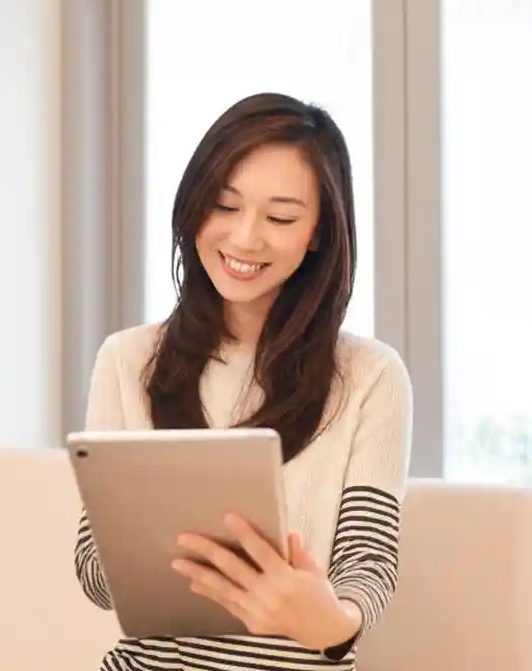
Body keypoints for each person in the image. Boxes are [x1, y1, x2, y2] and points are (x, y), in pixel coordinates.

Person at [75, 92, 413, 670]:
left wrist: (332, 624)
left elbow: (368, 564)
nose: (245, 238)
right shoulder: (127, 360)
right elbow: (93, 576)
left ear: (317, 232)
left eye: (280, 218)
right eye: (225, 206)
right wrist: (150, 544)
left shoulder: (370, 376)